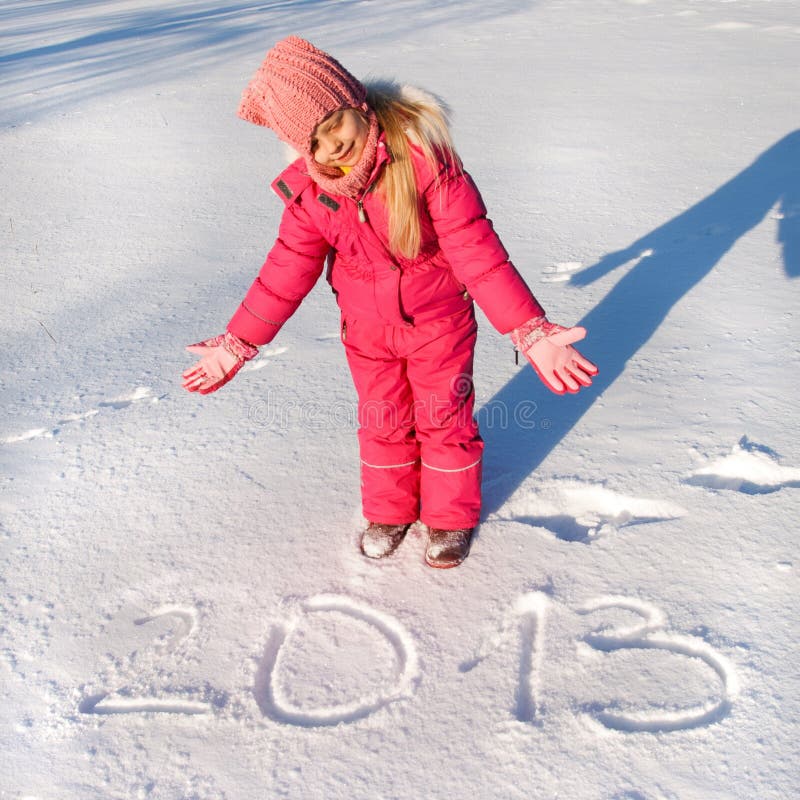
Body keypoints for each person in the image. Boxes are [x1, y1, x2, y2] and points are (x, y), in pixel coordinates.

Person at [182, 36, 597, 568]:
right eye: (313, 143)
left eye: (334, 127)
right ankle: (389, 510)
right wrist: (238, 342)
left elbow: (477, 251)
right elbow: (285, 269)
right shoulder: (314, 193)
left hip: (439, 323)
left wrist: (529, 330)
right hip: (367, 331)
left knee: (443, 419)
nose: (331, 149)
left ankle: (449, 519)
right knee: (382, 419)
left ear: (354, 102)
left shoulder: (425, 160)